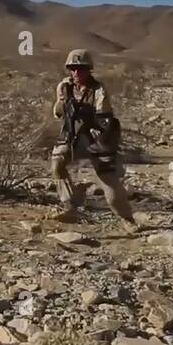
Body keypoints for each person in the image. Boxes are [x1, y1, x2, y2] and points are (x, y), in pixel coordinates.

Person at [49, 49, 137, 230]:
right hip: (72, 137)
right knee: (57, 163)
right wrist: (65, 106)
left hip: (96, 139)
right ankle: (70, 204)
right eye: (73, 69)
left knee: (109, 182)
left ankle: (128, 219)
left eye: (80, 69)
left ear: (88, 70)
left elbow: (104, 117)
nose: (76, 73)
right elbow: (57, 113)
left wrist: (85, 115)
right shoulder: (64, 87)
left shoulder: (98, 89)